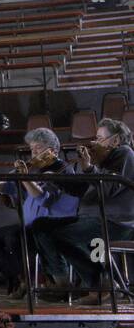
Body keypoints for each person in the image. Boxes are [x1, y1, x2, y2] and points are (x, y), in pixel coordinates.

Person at [32, 119, 134, 304]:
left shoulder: (124, 154)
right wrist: (58, 178)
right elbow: (80, 190)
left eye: (100, 138)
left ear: (116, 140)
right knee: (42, 226)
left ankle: (101, 284)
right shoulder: (102, 158)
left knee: (63, 236)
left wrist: (89, 167)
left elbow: (109, 188)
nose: (95, 142)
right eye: (96, 137)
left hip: (115, 221)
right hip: (92, 218)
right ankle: (61, 280)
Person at [0, 129, 80, 300]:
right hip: (29, 226)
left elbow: (43, 199)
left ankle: (31, 281)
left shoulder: (62, 170)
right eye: (32, 149)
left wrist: (24, 177)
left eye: (38, 149)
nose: (34, 153)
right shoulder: (35, 171)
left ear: (52, 151)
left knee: (13, 238)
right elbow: (14, 192)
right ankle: (19, 278)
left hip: (50, 228)